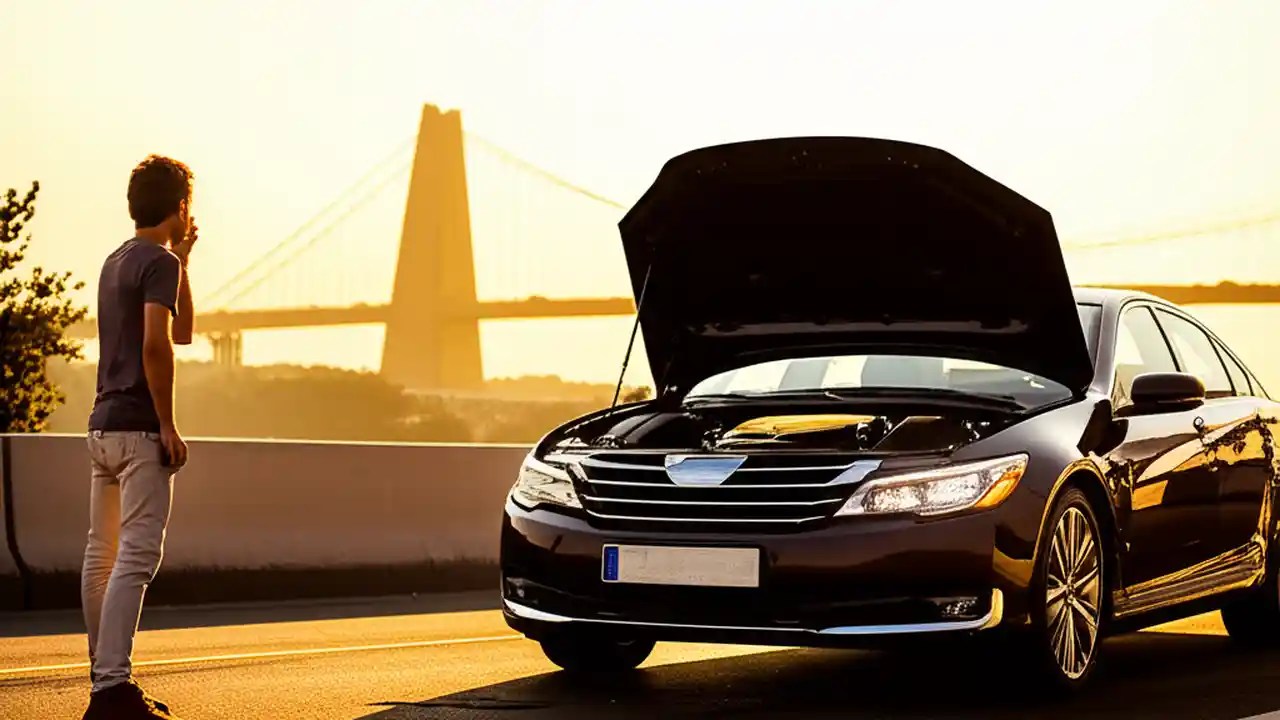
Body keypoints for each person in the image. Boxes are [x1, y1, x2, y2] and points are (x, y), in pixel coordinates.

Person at [81, 155, 197, 719]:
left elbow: (186, 329)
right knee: (136, 559)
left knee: (100, 557)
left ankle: (104, 681)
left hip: (101, 427)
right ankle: (113, 691)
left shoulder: (116, 261)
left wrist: (185, 261)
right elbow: (161, 344)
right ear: (180, 207)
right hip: (137, 430)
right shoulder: (157, 263)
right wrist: (167, 424)